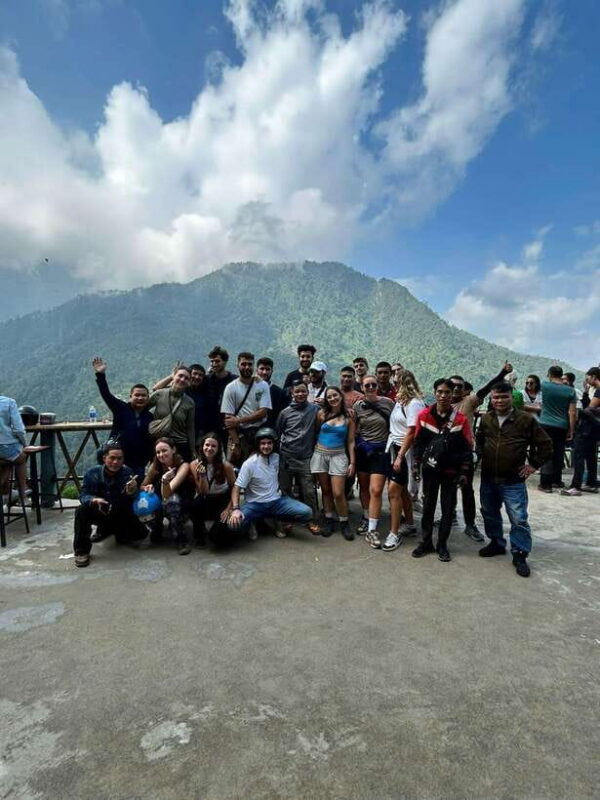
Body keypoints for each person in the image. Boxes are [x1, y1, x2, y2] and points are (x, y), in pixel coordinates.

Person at [477, 382, 553, 577]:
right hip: (488, 478)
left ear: (512, 398)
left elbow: (546, 444)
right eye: (496, 397)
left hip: (513, 480)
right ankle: (496, 543)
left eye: (504, 397)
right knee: (489, 512)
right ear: (491, 399)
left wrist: (533, 465)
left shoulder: (525, 420)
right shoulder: (486, 419)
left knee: (518, 519)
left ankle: (520, 553)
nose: (500, 401)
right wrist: (480, 454)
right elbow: (480, 439)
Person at [449, 362, 513, 542]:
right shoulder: (442, 405)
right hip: (446, 454)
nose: (455, 389)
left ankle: (470, 525)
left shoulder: (469, 401)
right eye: (452, 386)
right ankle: (450, 515)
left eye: (459, 387)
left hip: (464, 454)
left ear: (464, 390)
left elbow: (486, 388)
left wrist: (502, 373)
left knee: (467, 489)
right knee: (448, 488)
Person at [411, 379, 473, 563]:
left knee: (447, 510)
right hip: (430, 470)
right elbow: (418, 443)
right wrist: (416, 465)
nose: (443, 395)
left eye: (447, 392)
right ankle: (426, 542)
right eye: (440, 392)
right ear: (435, 393)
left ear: (452, 393)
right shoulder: (424, 416)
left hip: (450, 472)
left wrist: (463, 472)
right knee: (428, 508)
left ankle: (442, 545)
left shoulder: (460, 420)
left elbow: (467, 448)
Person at [228, 428, 313, 540]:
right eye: (263, 443)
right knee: (233, 525)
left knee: (307, 512)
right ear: (258, 445)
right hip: (255, 504)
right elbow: (236, 487)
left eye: (269, 443)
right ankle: (253, 522)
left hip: (276, 502)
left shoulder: (277, 458)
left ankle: (280, 520)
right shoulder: (249, 464)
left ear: (274, 444)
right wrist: (235, 509)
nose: (266, 446)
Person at [73, 442, 146, 567]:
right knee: (82, 510)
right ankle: (81, 551)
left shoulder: (127, 472)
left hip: (120, 512)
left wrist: (132, 492)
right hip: (100, 511)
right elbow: (83, 495)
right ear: (104, 458)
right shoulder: (93, 473)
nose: (115, 462)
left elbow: (134, 500)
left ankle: (111, 530)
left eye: (119, 459)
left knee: (140, 534)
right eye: (112, 458)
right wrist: (93, 500)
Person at [382, 370, 425, 551]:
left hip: (404, 451)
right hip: (395, 447)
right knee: (402, 491)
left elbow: (411, 431)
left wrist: (400, 456)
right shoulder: (401, 402)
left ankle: (394, 533)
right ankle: (409, 523)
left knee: (393, 492)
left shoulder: (414, 404)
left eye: (397, 382)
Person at [91, 357, 153, 478]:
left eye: (143, 396)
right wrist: (100, 374)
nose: (140, 398)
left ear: (148, 398)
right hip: (116, 460)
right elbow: (106, 395)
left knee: (132, 492)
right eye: (137, 395)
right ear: (131, 396)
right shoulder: (121, 408)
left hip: (138, 464)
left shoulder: (149, 416)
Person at [311, 386, 356, 540]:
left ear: (341, 396)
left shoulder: (349, 417)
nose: (332, 399)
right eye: (329, 397)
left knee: (338, 492)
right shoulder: (322, 414)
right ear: (326, 399)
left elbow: (350, 441)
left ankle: (344, 522)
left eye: (335, 395)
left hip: (339, 456)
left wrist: (352, 462)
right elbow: (316, 433)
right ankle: (329, 519)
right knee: (325, 490)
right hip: (320, 454)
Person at [353, 376, 394, 546]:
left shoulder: (388, 403)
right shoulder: (357, 406)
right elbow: (355, 429)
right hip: (364, 451)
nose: (370, 387)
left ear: (378, 386)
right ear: (362, 388)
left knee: (376, 490)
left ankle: (372, 529)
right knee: (363, 487)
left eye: (373, 385)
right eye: (367, 385)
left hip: (380, 452)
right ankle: (366, 516)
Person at [276, 381, 320, 535]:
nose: (300, 394)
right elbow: (278, 432)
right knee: (285, 489)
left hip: (306, 457)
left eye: (303, 391)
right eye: (297, 392)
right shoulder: (285, 413)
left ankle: (311, 519)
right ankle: (286, 519)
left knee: (308, 491)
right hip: (287, 457)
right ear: (292, 393)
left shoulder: (315, 410)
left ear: (307, 393)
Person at [141, 437, 192, 555]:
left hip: (181, 505)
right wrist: (147, 488)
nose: (161, 454)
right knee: (143, 500)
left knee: (171, 500)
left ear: (173, 450)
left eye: (164, 450)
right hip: (162, 503)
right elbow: (142, 486)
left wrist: (164, 481)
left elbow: (168, 492)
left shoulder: (183, 466)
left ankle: (181, 539)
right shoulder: (155, 466)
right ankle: (157, 528)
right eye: (158, 452)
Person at [221, 352, 271, 464]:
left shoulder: (262, 385)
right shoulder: (231, 388)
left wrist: (239, 420)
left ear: (254, 366)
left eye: (250, 364)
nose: (247, 367)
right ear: (237, 365)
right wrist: (236, 444)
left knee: (259, 470)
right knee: (234, 470)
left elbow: (263, 412)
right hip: (238, 435)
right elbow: (229, 421)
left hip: (259, 434)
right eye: (243, 364)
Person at [190, 433, 236, 546]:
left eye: (213, 446)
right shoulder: (194, 464)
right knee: (195, 505)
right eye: (207, 445)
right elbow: (203, 491)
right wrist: (203, 476)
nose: (209, 448)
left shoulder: (226, 466)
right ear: (202, 446)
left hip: (223, 500)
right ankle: (199, 534)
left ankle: (230, 532)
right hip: (207, 497)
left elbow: (235, 488)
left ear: (218, 449)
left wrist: (229, 508)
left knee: (216, 537)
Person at [562, 367, 600, 495]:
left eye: (588, 377)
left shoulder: (599, 391)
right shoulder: (594, 391)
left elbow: (589, 409)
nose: (586, 380)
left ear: (594, 377)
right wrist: (585, 393)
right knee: (591, 455)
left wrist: (578, 414)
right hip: (594, 428)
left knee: (578, 455)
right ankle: (591, 483)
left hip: (586, 428)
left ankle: (575, 486)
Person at [538, 365, 576, 492]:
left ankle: (545, 484)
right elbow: (572, 412)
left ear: (549, 374)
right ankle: (556, 481)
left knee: (546, 452)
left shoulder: (544, 386)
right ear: (561, 375)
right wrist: (571, 430)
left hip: (545, 423)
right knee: (559, 453)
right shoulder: (570, 391)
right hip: (562, 425)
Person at [147, 366, 196, 462]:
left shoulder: (190, 402)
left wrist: (192, 449)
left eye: (186, 378)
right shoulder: (159, 394)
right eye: (180, 376)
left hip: (180, 444)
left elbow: (190, 428)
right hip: (159, 443)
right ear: (174, 376)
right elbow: (142, 409)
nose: (182, 379)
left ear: (189, 382)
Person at [0, 392, 29, 502]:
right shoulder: (8, 402)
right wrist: (24, 444)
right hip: (6, 446)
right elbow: (18, 430)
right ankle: (23, 492)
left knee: (8, 461)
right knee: (20, 458)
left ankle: (6, 490)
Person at [205, 346, 236, 434]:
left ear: (225, 362)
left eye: (217, 361)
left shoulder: (234, 381)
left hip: (229, 428)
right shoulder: (206, 380)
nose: (214, 364)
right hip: (209, 428)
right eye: (212, 361)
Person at [257, 357, 288, 426]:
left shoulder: (279, 393)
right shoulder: (249, 389)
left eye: (267, 369)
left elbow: (283, 415)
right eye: (262, 369)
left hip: (271, 432)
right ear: (257, 370)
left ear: (272, 371)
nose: (264, 372)